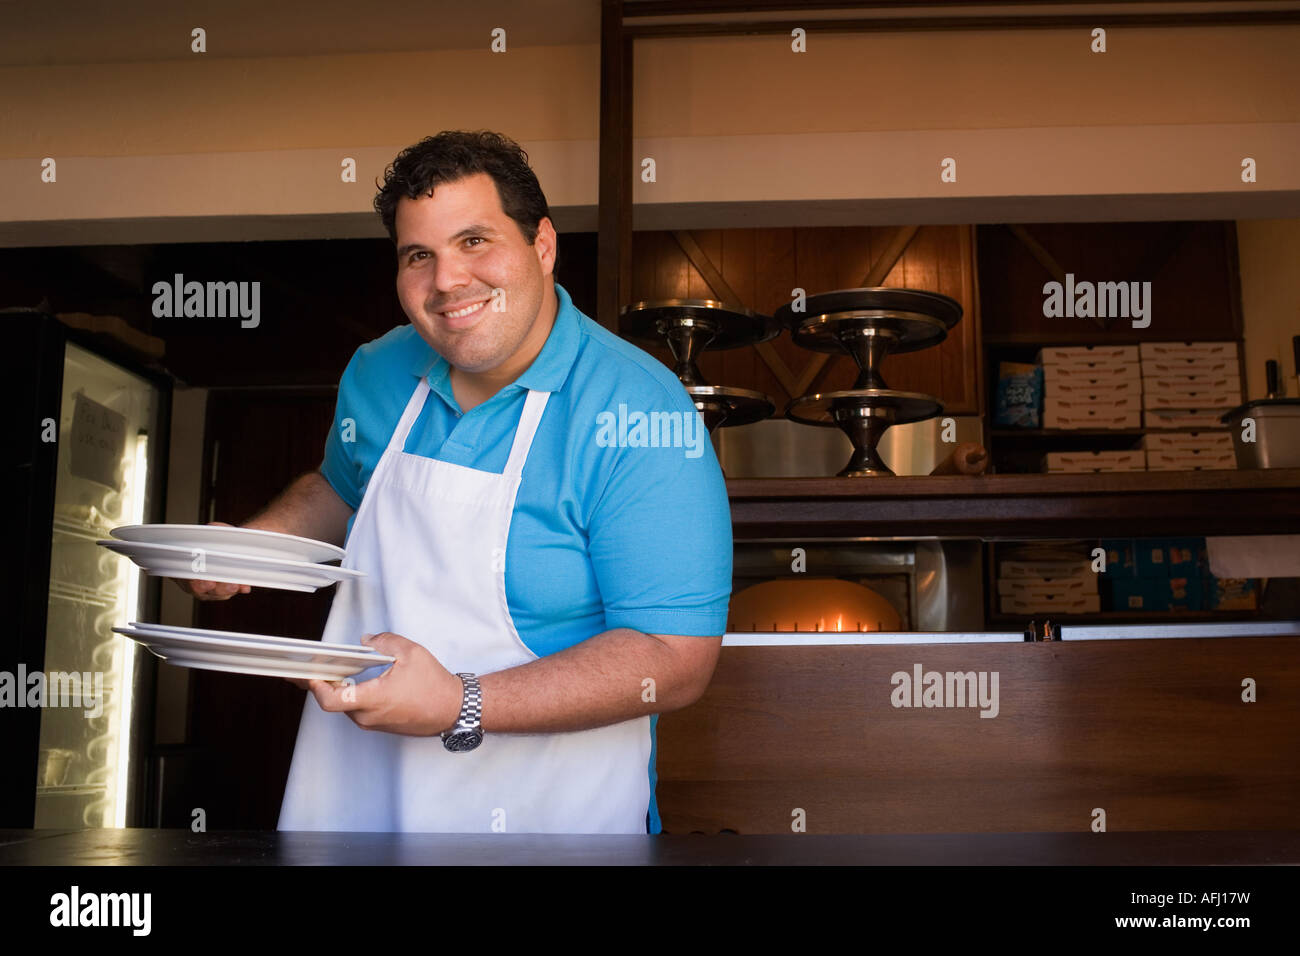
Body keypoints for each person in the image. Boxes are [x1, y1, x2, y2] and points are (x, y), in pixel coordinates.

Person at [173, 130, 733, 834]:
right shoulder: (377, 372)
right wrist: (259, 546)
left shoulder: (638, 410)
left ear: (544, 246)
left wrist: (459, 703)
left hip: (556, 827)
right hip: (356, 803)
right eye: (419, 256)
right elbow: (343, 489)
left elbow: (673, 659)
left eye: (475, 241)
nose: (446, 282)